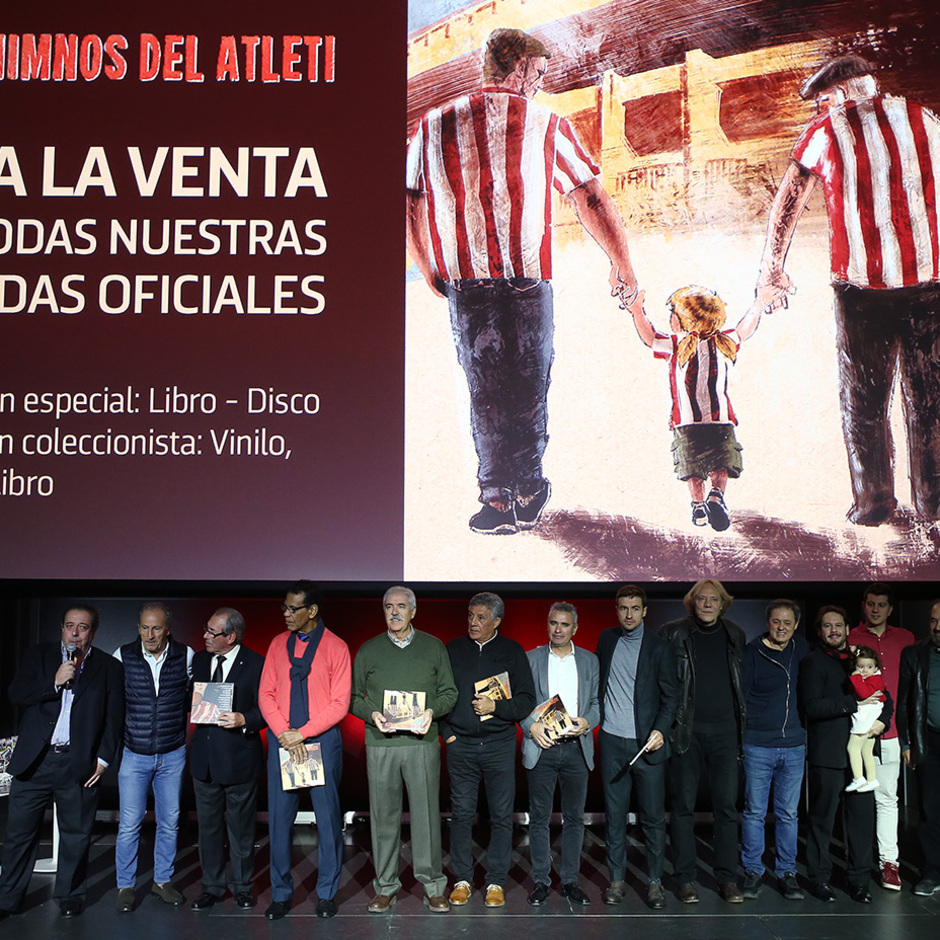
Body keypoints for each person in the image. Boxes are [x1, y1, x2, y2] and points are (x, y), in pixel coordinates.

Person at [406, 27, 639, 534]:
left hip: (466, 284)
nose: (539, 83)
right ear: (521, 68)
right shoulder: (547, 122)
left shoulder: (429, 125)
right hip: (529, 281)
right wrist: (622, 262)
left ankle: (496, 500)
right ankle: (529, 487)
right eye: (538, 73)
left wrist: (428, 266)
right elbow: (589, 196)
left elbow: (408, 201)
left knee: (485, 388)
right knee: (530, 385)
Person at [751, 54, 940, 526]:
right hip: (931, 283)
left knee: (865, 401)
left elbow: (789, 200)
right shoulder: (924, 118)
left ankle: (874, 502)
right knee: (931, 399)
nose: (819, 112)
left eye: (821, 103)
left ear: (838, 95)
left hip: (861, 288)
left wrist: (772, 268)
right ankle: (936, 502)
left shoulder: (826, 132)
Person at [0, 605, 124, 920]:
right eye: (70, 626)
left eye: (82, 627)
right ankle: (8, 898)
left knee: (77, 835)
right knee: (19, 834)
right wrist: (54, 682)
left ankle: (70, 895)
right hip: (35, 762)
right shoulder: (38, 656)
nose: (75, 632)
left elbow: (114, 720)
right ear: (62, 629)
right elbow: (16, 694)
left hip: (78, 763)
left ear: (92, 632)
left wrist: (104, 760)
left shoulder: (108, 667)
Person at [350, 586, 458, 914]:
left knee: (426, 817)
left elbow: (449, 693)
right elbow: (354, 698)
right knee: (383, 817)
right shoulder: (369, 650)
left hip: (422, 744)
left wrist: (431, 712)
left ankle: (433, 885)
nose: (394, 612)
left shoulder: (433, 646)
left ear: (413, 610)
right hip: (381, 744)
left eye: (401, 606)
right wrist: (372, 715)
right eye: (388, 607)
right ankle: (385, 887)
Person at [627, 285, 763, 530]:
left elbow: (650, 337)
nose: (671, 319)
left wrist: (637, 310)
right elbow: (744, 330)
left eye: (674, 314)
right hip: (720, 419)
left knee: (693, 466)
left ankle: (700, 504)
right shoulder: (724, 342)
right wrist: (759, 304)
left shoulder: (678, 343)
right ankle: (714, 496)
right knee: (721, 462)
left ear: (684, 319)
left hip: (687, 422)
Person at [258, 581, 350, 920]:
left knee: (327, 822)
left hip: (321, 742)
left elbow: (340, 703)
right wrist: (285, 733)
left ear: (311, 611)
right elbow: (265, 694)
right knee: (279, 824)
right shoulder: (276, 644)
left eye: (292, 608)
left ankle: (326, 894)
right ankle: (281, 895)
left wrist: (303, 734)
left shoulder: (336, 647)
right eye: (284, 607)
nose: (285, 613)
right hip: (283, 743)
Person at [440, 592, 536, 907]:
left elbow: (525, 700)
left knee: (500, 816)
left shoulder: (512, 651)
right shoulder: (452, 650)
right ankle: (463, 879)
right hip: (462, 746)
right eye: (470, 616)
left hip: (499, 745)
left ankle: (495, 881)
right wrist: (447, 734)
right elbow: (437, 694)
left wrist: (496, 705)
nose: (473, 623)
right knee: (462, 814)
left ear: (497, 621)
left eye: (481, 618)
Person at [798, 605, 891, 903]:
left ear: (848, 628)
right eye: (827, 626)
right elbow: (812, 707)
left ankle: (859, 880)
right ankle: (820, 878)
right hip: (829, 755)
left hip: (862, 755)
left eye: (838, 625)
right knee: (822, 821)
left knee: (861, 822)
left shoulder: (861, 660)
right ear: (820, 631)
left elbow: (884, 697)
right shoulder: (812, 663)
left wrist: (882, 719)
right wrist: (854, 703)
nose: (834, 631)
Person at [662, 579, 746, 903]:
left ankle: (727, 880)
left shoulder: (735, 634)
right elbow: (664, 682)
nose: (708, 605)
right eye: (702, 599)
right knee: (682, 808)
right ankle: (685, 879)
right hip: (687, 733)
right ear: (692, 603)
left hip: (725, 734)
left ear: (723, 604)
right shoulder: (674, 633)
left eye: (714, 600)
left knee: (726, 808)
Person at [594, 586, 678, 910]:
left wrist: (660, 730)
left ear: (645, 611)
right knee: (615, 817)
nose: (628, 614)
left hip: (648, 745)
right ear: (616, 610)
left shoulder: (659, 647)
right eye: (623, 608)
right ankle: (617, 879)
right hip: (613, 741)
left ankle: (654, 881)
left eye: (634, 608)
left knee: (653, 818)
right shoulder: (606, 639)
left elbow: (671, 697)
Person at [113, 602, 194, 911]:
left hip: (173, 753)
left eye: (156, 628)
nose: (150, 634)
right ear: (138, 628)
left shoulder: (184, 655)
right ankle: (125, 886)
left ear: (167, 629)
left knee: (170, 822)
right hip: (135, 754)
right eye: (145, 628)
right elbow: (114, 703)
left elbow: (193, 697)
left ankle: (162, 880)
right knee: (130, 823)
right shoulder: (123, 656)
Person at [520, 602, 599, 907]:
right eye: (553, 623)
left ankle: (570, 880)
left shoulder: (590, 661)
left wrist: (588, 721)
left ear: (575, 628)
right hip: (543, 748)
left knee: (574, 819)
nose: (558, 629)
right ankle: (541, 881)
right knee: (539, 818)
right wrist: (530, 727)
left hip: (577, 749)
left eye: (564, 625)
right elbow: (520, 703)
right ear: (547, 625)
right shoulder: (531, 659)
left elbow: (596, 703)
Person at [189, 608, 266, 911]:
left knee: (241, 830)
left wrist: (243, 718)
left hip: (239, 760)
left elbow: (267, 709)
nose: (205, 636)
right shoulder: (198, 660)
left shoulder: (257, 664)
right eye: (206, 630)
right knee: (207, 829)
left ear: (230, 636)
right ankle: (212, 886)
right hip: (204, 761)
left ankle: (243, 886)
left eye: (212, 632)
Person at [740, 600, 809, 901]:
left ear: (796, 625)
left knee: (788, 814)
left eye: (788, 623)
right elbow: (740, 699)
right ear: (767, 622)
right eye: (776, 622)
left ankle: (787, 872)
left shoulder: (802, 650)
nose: (782, 627)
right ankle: (753, 871)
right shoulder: (751, 653)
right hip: (758, 745)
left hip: (794, 745)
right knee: (754, 812)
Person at [847, 582, 914, 890]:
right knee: (860, 800)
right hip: (859, 731)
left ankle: (889, 863)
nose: (875, 610)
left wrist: (908, 738)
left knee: (887, 799)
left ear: (890, 608)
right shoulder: (851, 637)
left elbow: (912, 689)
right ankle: (859, 866)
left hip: (891, 733)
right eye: (871, 604)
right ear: (865, 605)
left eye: (881, 605)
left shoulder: (905, 639)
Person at [897, 600, 940, 896]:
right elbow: (904, 703)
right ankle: (932, 871)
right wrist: (908, 743)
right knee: (930, 809)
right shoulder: (914, 653)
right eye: (934, 621)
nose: (938, 628)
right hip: (930, 739)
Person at [846, 647, 885, 792]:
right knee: (866, 751)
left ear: (876, 668)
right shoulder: (868, 679)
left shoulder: (875, 679)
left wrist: (855, 677)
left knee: (852, 747)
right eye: (860, 666)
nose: (864, 670)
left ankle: (858, 778)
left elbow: (863, 693)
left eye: (869, 667)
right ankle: (872, 779)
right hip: (868, 717)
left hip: (867, 718)